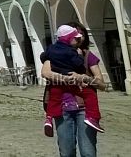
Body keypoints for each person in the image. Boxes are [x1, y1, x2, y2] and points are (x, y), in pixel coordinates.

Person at [42, 24, 105, 157]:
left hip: (85, 110)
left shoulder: (88, 56)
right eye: (76, 35)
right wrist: (68, 79)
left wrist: (84, 78)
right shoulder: (54, 54)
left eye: (81, 35)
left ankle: (49, 118)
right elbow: (46, 73)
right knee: (67, 152)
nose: (79, 38)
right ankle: (48, 118)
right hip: (63, 108)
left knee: (88, 152)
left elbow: (101, 84)